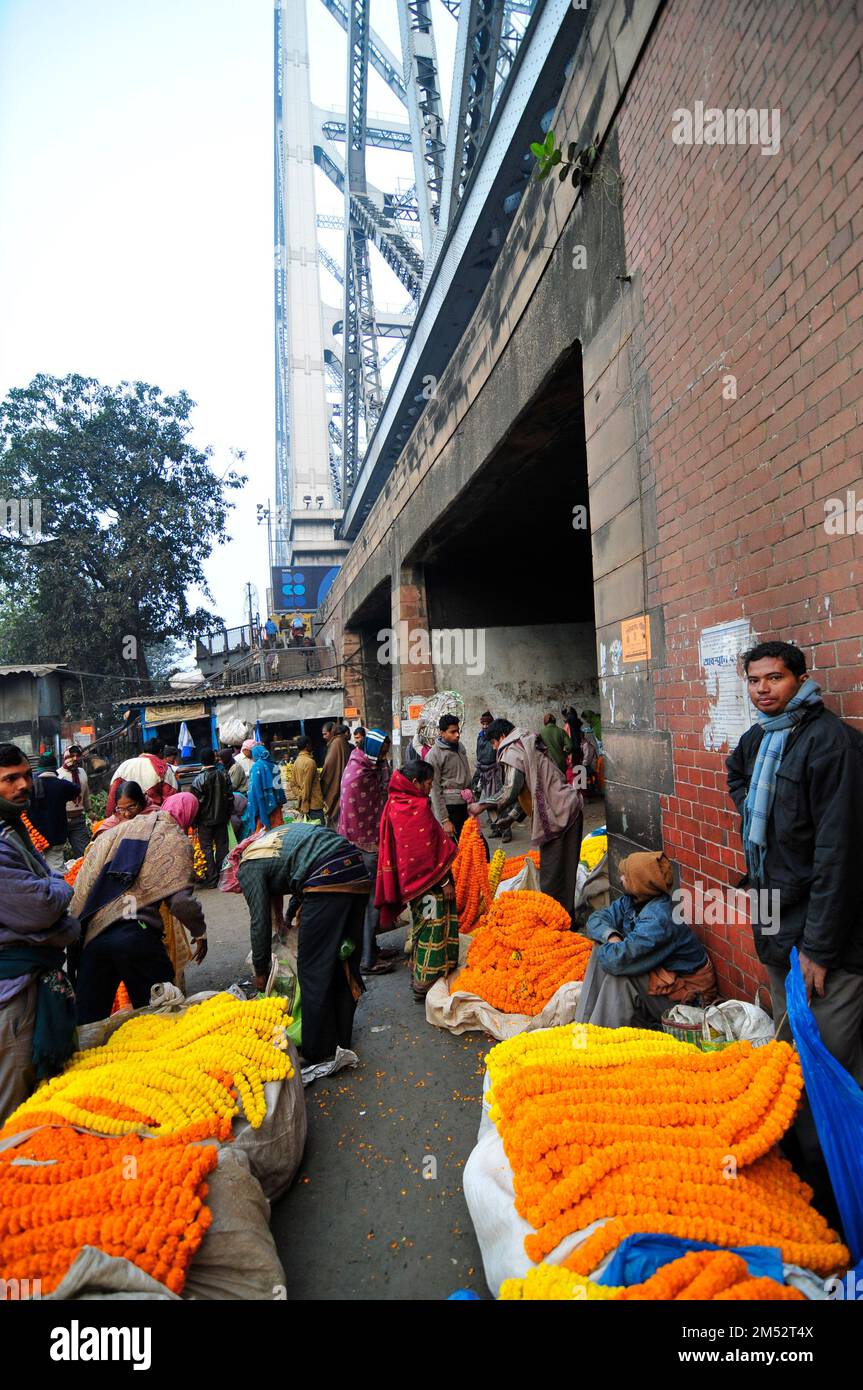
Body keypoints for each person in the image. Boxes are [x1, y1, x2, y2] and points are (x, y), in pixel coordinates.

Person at [726, 640, 863, 1103]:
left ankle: (837, 1166)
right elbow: (735, 773)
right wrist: (752, 809)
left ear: (801, 680)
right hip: (773, 917)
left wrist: (820, 950)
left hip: (820, 932)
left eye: (775, 678)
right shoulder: (760, 737)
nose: (762, 690)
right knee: (792, 1049)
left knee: (826, 1057)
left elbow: (840, 858)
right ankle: (804, 1160)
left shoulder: (831, 745)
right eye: (754, 680)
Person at [70, 781, 208, 1024]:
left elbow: (82, 888)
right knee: (160, 1018)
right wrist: (200, 932)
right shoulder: (169, 835)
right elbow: (180, 902)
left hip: (93, 939)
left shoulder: (111, 834)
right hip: (136, 935)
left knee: (88, 1026)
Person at [237, 821, 369, 1061]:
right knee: (342, 958)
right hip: (356, 867)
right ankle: (341, 1037)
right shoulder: (274, 842)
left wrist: (260, 969)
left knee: (312, 968)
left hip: (326, 877)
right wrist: (289, 917)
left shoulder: (247, 866)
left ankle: (318, 1049)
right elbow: (299, 869)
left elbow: (260, 922)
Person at [0, 743, 79, 1123]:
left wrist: (55, 892)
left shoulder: (13, 829)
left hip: (31, 978)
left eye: (26, 776)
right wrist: (61, 894)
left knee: (41, 1107)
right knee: (16, 1114)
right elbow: (44, 905)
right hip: (11, 997)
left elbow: (47, 885)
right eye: (9, 779)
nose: (23, 785)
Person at [576, 852, 717, 1028]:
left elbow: (616, 961)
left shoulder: (659, 919)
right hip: (663, 980)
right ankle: (583, 1027)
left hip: (687, 1001)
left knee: (619, 977)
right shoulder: (630, 901)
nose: (620, 879)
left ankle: (596, 1036)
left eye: (625, 876)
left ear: (638, 884)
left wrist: (614, 946)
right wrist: (611, 936)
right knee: (601, 947)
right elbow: (596, 919)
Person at [468, 719, 583, 915]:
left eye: (494, 743)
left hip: (559, 812)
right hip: (569, 806)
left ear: (502, 737)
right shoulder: (526, 743)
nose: (495, 748)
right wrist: (511, 818)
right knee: (565, 870)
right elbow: (530, 790)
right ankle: (565, 916)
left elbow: (510, 791)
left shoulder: (512, 749)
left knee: (552, 874)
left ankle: (556, 919)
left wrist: (482, 804)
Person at [376, 761, 459, 1002]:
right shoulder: (416, 808)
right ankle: (425, 981)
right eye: (428, 783)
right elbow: (424, 852)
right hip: (430, 883)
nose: (429, 787)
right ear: (415, 783)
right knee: (433, 926)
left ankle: (420, 972)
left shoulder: (394, 802)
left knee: (421, 926)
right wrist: (444, 883)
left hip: (410, 883)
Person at [338, 728, 399, 976]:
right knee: (371, 901)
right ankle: (367, 960)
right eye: (382, 752)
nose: (385, 757)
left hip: (367, 841)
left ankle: (371, 947)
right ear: (372, 750)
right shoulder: (358, 774)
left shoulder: (367, 765)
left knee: (371, 899)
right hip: (362, 844)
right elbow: (372, 803)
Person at [27, 753, 79, 871]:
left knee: (36, 869)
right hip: (57, 836)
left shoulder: (30, 786)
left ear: (39, 769)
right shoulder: (62, 785)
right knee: (56, 869)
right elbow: (76, 789)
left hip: (35, 838)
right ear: (54, 768)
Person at [426, 715, 472, 841]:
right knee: (459, 849)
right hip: (450, 807)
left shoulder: (460, 747)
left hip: (466, 804)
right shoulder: (434, 755)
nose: (457, 735)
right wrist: (444, 820)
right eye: (452, 732)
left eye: (458, 731)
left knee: (477, 845)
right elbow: (434, 790)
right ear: (442, 733)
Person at [192, 748, 233, 888]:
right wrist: (228, 814)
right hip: (221, 818)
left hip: (205, 821)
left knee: (206, 848)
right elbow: (230, 797)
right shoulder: (224, 775)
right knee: (222, 846)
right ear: (214, 759)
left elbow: (196, 803)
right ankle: (223, 876)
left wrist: (195, 822)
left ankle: (211, 879)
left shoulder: (198, 779)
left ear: (201, 761)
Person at [105, 738, 179, 815]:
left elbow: (112, 797)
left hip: (126, 818)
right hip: (153, 818)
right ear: (161, 751)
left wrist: (111, 817)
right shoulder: (163, 767)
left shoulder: (124, 765)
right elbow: (170, 800)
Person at [242, 743, 288, 836]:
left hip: (262, 805)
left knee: (264, 835)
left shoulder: (256, 767)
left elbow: (255, 790)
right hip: (275, 806)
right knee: (278, 834)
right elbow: (279, 788)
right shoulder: (274, 765)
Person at [57, 745, 92, 858]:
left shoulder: (82, 772)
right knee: (57, 855)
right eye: (72, 756)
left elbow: (86, 793)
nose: (75, 758)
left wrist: (90, 810)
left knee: (84, 854)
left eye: (78, 755)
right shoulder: (58, 775)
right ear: (66, 756)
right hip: (61, 820)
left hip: (78, 820)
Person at [473, 711, 504, 838]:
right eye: (483, 724)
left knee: (497, 801)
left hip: (494, 772)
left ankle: (505, 830)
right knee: (488, 802)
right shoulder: (480, 736)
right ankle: (497, 828)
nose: (485, 726)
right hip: (483, 772)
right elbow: (478, 753)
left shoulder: (495, 737)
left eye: (487, 723)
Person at [320, 722, 351, 828]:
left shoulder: (337, 743)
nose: (324, 737)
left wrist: (321, 780)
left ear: (332, 732)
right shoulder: (340, 741)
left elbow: (329, 766)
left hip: (338, 784)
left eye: (325, 734)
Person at [292, 736, 325, 823]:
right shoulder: (310, 762)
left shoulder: (296, 762)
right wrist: (305, 804)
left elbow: (293, 785)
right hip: (312, 805)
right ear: (307, 745)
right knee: (320, 833)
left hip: (305, 804)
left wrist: (300, 797)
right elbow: (307, 786)